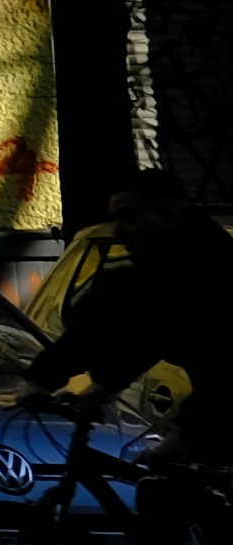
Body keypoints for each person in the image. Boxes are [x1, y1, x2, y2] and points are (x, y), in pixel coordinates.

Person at [38, 173, 233, 462]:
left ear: (170, 212)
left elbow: (113, 321)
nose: (119, 230)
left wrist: (187, 433)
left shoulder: (198, 267)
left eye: (130, 216)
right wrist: (103, 385)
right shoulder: (179, 261)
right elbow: (146, 334)